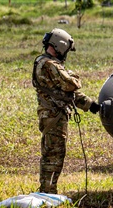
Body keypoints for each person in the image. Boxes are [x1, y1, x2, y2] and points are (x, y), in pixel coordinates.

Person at [32, 28, 99, 194]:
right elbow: (72, 84)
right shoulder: (49, 65)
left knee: (53, 154)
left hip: (54, 115)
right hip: (54, 116)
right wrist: (73, 75)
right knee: (53, 156)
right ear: (60, 46)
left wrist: (90, 105)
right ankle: (48, 192)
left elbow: (67, 94)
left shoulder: (45, 62)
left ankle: (47, 189)